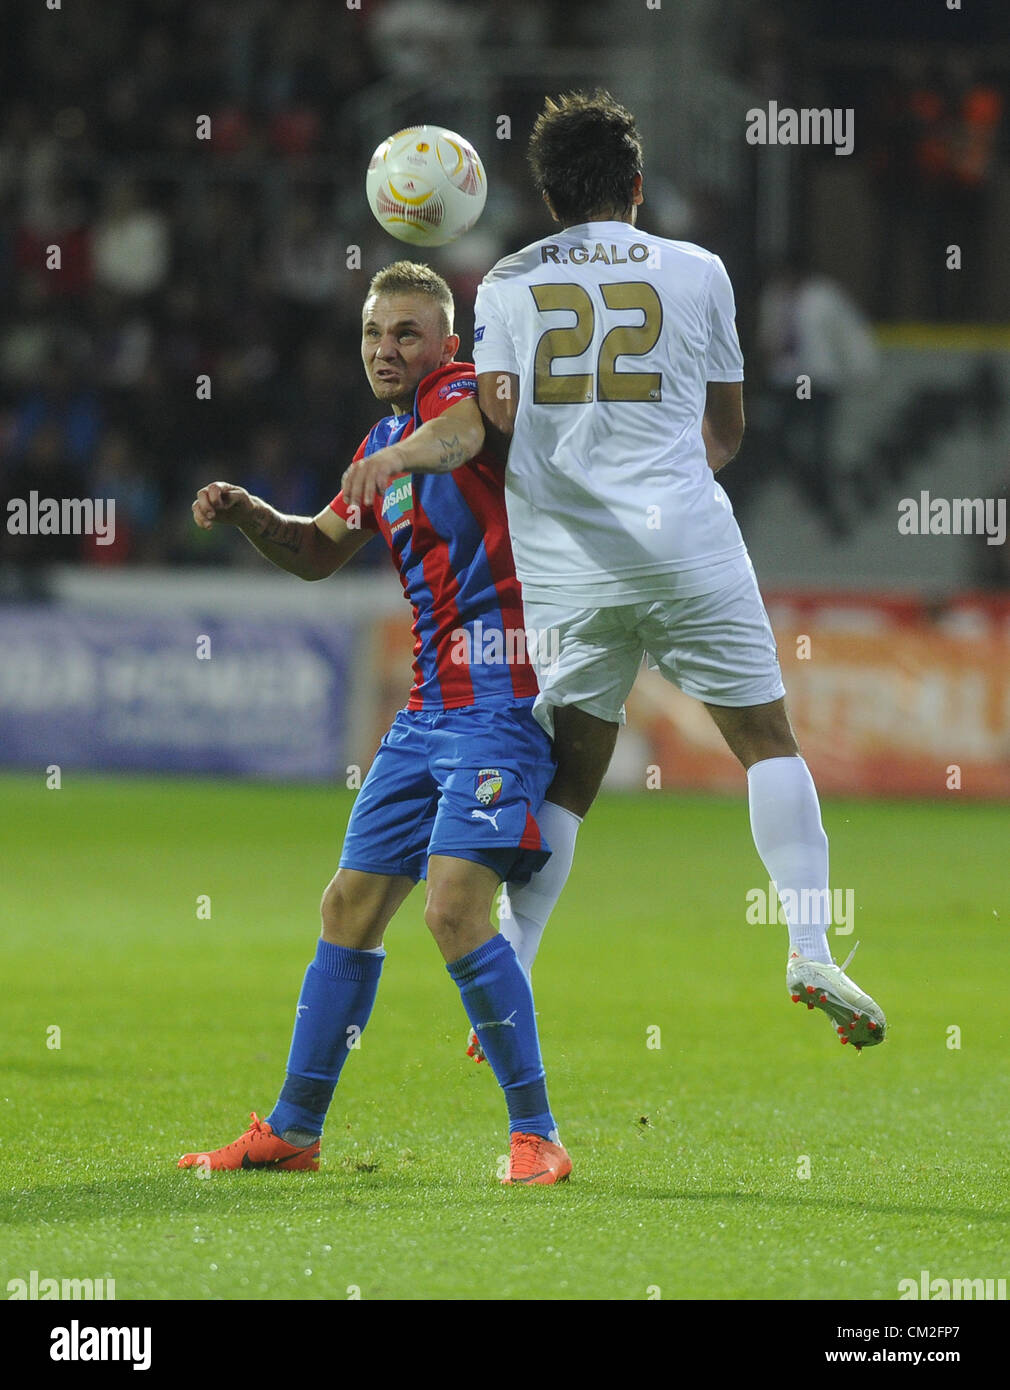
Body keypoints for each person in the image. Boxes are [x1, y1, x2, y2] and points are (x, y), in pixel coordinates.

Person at [434, 92, 885, 1049]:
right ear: (636, 187)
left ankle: (514, 964)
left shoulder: (507, 283)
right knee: (768, 740)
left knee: (570, 776)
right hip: (683, 538)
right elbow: (725, 425)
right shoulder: (699, 269)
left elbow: (499, 420)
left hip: (564, 563)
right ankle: (809, 945)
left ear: (548, 197)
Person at [179, 261, 571, 1184]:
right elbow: (318, 548)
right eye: (372, 335)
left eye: (405, 333)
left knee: (454, 910)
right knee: (348, 906)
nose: (385, 349)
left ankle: (537, 1134)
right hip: (428, 710)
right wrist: (248, 515)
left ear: (446, 342)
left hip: (498, 701)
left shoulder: (471, 403)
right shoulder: (387, 437)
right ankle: (294, 1129)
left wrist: (400, 453)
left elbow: (463, 431)